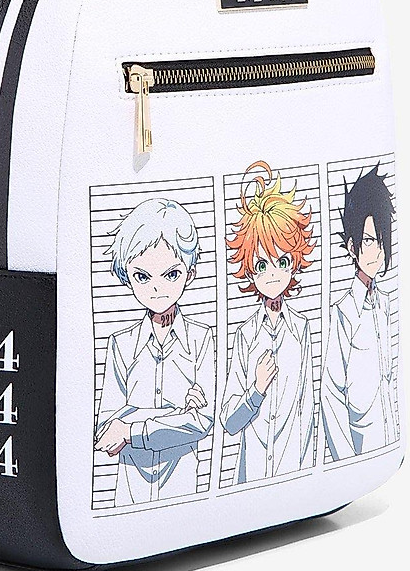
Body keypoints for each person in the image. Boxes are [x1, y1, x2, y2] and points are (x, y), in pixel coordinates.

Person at [94, 198, 215, 506]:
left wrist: (131, 428)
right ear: (127, 277)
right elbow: (106, 432)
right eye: (143, 276)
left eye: (171, 274)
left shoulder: (201, 338)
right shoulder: (121, 344)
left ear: (190, 274)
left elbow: (202, 422)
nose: (157, 288)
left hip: (182, 484)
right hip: (130, 487)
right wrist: (176, 417)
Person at [221, 162, 316, 483]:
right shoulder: (245, 335)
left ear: (295, 263)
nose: (273, 274)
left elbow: (307, 408)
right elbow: (228, 421)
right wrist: (256, 391)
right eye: (262, 265)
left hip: (295, 474)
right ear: (249, 271)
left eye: (283, 261)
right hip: (251, 476)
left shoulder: (301, 329)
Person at [321, 164, 400, 460]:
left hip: (388, 437)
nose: (376, 252)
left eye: (380, 241)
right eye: (368, 241)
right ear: (352, 247)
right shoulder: (343, 313)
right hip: (358, 447)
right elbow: (330, 394)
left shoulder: (386, 305)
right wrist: (345, 459)